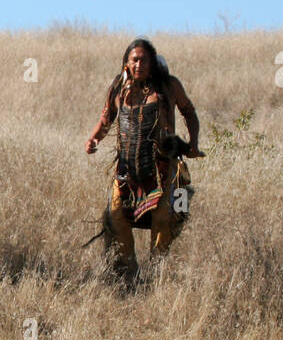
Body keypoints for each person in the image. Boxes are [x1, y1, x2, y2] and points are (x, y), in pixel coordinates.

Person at [85, 38, 202, 287]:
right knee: (116, 215)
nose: (139, 64)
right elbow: (106, 119)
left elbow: (189, 111)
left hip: (162, 167)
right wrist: (94, 138)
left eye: (144, 59)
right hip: (127, 170)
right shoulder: (118, 88)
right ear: (126, 63)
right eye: (134, 59)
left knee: (163, 218)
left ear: (152, 62)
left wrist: (193, 143)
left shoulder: (169, 86)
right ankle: (131, 275)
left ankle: (156, 276)